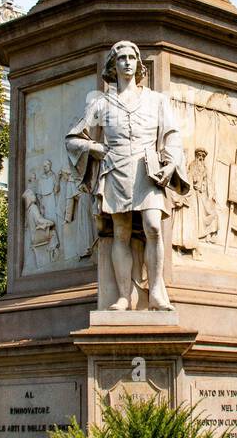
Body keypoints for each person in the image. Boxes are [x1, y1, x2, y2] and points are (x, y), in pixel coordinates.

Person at [66, 40, 189, 311]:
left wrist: (170, 165)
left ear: (139, 63)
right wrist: (95, 148)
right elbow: (73, 139)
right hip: (115, 168)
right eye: (121, 58)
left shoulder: (156, 100)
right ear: (113, 64)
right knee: (120, 232)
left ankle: (156, 289)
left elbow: (172, 136)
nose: (127, 62)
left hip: (148, 170)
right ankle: (124, 295)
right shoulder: (101, 104)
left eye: (132, 57)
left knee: (153, 226)